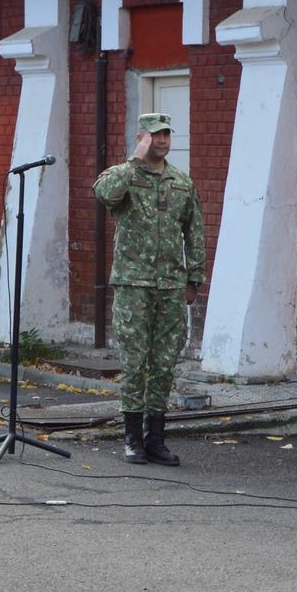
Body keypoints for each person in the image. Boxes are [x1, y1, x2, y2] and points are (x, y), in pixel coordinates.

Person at [93, 112, 206, 465]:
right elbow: (104, 194)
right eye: (155, 135)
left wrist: (194, 279)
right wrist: (134, 159)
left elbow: (195, 233)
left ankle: (155, 438)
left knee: (164, 362)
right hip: (133, 285)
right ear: (142, 137)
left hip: (171, 286)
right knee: (134, 361)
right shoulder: (124, 177)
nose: (162, 141)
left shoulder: (181, 183)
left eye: (166, 135)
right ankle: (131, 438)